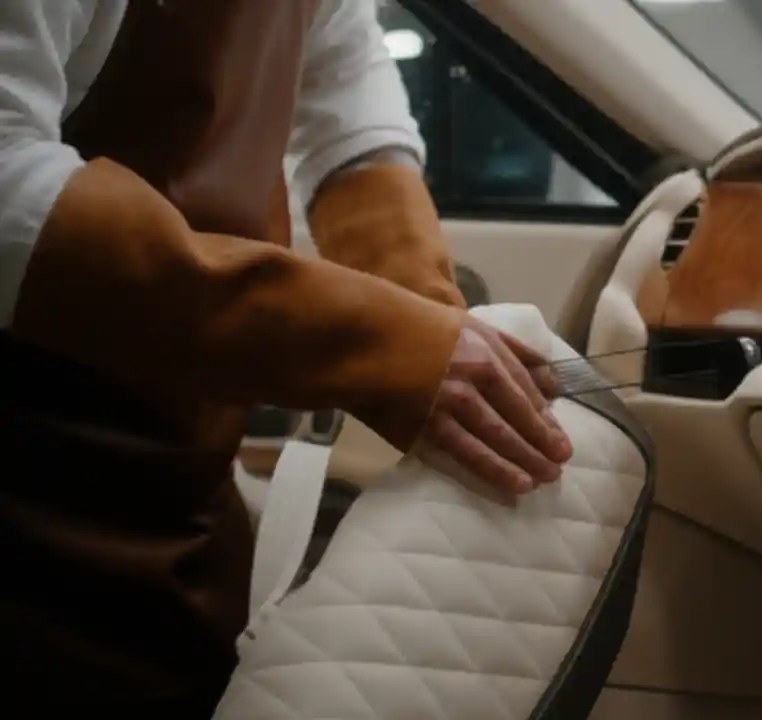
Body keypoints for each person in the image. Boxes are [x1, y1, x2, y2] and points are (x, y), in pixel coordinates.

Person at [0, 0, 573, 715]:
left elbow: (351, 108)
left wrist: (435, 321)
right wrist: (377, 342)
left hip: (182, 476)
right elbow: (6, 184)